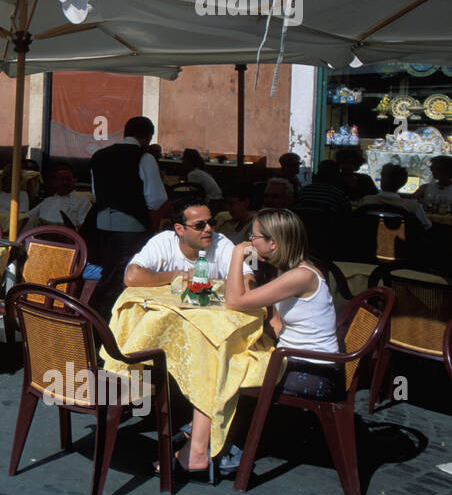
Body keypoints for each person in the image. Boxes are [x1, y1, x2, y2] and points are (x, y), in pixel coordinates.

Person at [224, 209, 341, 408]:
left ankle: (203, 433)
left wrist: (237, 253)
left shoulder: (301, 276)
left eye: (254, 236)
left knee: (228, 373)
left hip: (314, 371)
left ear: (273, 243)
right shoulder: (287, 269)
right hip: (292, 359)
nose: (250, 241)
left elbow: (234, 301)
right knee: (230, 362)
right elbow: (276, 321)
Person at [89, 116, 170, 312]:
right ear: (148, 137)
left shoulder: (99, 155)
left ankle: (97, 315)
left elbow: (94, 193)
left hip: (101, 224)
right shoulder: (144, 157)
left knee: (107, 272)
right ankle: (113, 316)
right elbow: (157, 199)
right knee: (125, 276)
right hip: (132, 226)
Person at [125, 196, 256, 291]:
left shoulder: (221, 243)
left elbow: (249, 282)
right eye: (200, 225)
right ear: (179, 229)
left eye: (211, 223)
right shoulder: (163, 242)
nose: (209, 229)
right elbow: (131, 277)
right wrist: (181, 275)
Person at [359, 162, 432, 231]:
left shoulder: (366, 201)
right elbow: (426, 226)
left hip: (369, 242)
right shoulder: (413, 207)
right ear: (403, 183)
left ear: (381, 181)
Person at [28, 164, 92, 228]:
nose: (65, 182)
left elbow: (84, 227)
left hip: (65, 234)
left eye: (68, 179)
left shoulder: (83, 201)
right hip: (39, 233)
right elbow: (28, 216)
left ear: (74, 180)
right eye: (61, 179)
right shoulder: (47, 201)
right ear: (54, 182)